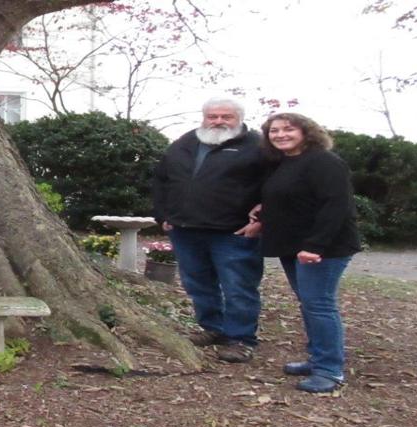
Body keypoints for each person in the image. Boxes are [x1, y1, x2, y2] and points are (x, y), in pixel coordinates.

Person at [252, 113, 361, 393]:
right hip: (293, 246)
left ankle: (330, 370)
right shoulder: (282, 163)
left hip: (324, 248)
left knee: (319, 304)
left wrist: (315, 246)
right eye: (274, 131)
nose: (280, 135)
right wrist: (261, 215)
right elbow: (291, 201)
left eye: (288, 129)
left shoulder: (324, 162)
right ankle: (317, 359)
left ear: (306, 132)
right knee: (309, 303)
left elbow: (336, 206)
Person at [150, 97, 266, 363]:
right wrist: (163, 215)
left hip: (234, 231)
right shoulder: (185, 142)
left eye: (226, 117)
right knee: (198, 284)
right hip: (186, 230)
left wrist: (262, 218)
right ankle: (212, 327)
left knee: (238, 287)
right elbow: (161, 179)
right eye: (212, 116)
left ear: (239, 118)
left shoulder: (256, 146)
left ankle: (241, 339)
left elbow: (274, 186)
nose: (218, 121)